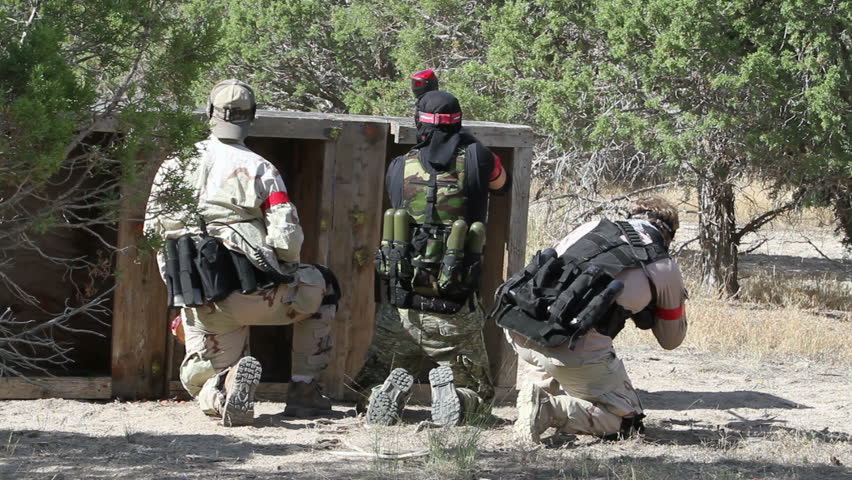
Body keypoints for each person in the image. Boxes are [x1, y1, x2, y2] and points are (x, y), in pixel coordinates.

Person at [144, 79, 339, 426]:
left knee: (204, 378)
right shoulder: (260, 168)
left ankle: (221, 391)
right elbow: (287, 236)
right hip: (251, 294)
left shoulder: (173, 165)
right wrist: (285, 270)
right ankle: (305, 390)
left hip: (197, 298)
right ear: (251, 118)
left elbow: (149, 232)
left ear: (209, 113)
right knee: (324, 286)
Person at [354, 89, 509, 426]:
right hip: (455, 304)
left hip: (401, 305)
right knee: (480, 396)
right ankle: (455, 399)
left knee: (369, 384)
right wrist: (469, 141)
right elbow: (500, 182)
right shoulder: (479, 157)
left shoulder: (399, 166)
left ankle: (383, 395)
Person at [495, 197, 687, 441]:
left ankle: (537, 387)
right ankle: (549, 408)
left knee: (563, 326)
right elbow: (671, 339)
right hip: (571, 349)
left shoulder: (592, 227)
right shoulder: (662, 264)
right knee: (627, 425)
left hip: (519, 326)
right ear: (669, 233)